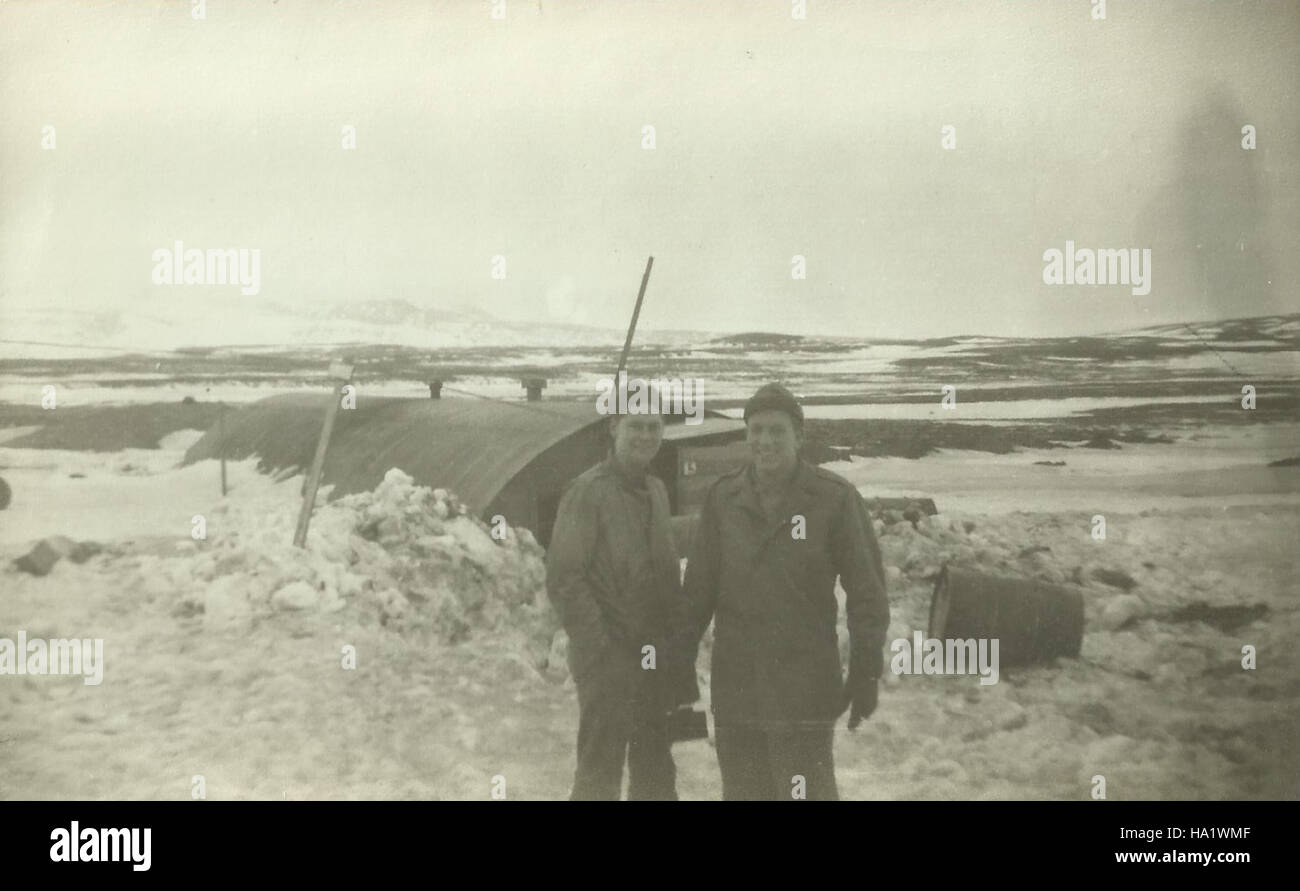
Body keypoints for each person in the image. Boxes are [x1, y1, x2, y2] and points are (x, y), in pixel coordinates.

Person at [679, 382, 890, 800]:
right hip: (737, 688)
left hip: (804, 690)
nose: (765, 441)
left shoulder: (833, 499)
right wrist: (674, 667)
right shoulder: (724, 499)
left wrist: (866, 672)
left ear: (799, 436)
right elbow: (697, 595)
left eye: (776, 430)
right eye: (755, 430)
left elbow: (867, 593)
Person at [545, 402, 695, 800]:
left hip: (653, 654)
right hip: (609, 656)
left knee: (656, 766)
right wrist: (598, 648)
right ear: (614, 427)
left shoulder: (656, 489)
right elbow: (564, 577)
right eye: (636, 426)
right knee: (600, 771)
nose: (646, 435)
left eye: (654, 426)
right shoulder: (588, 491)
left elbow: (661, 562)